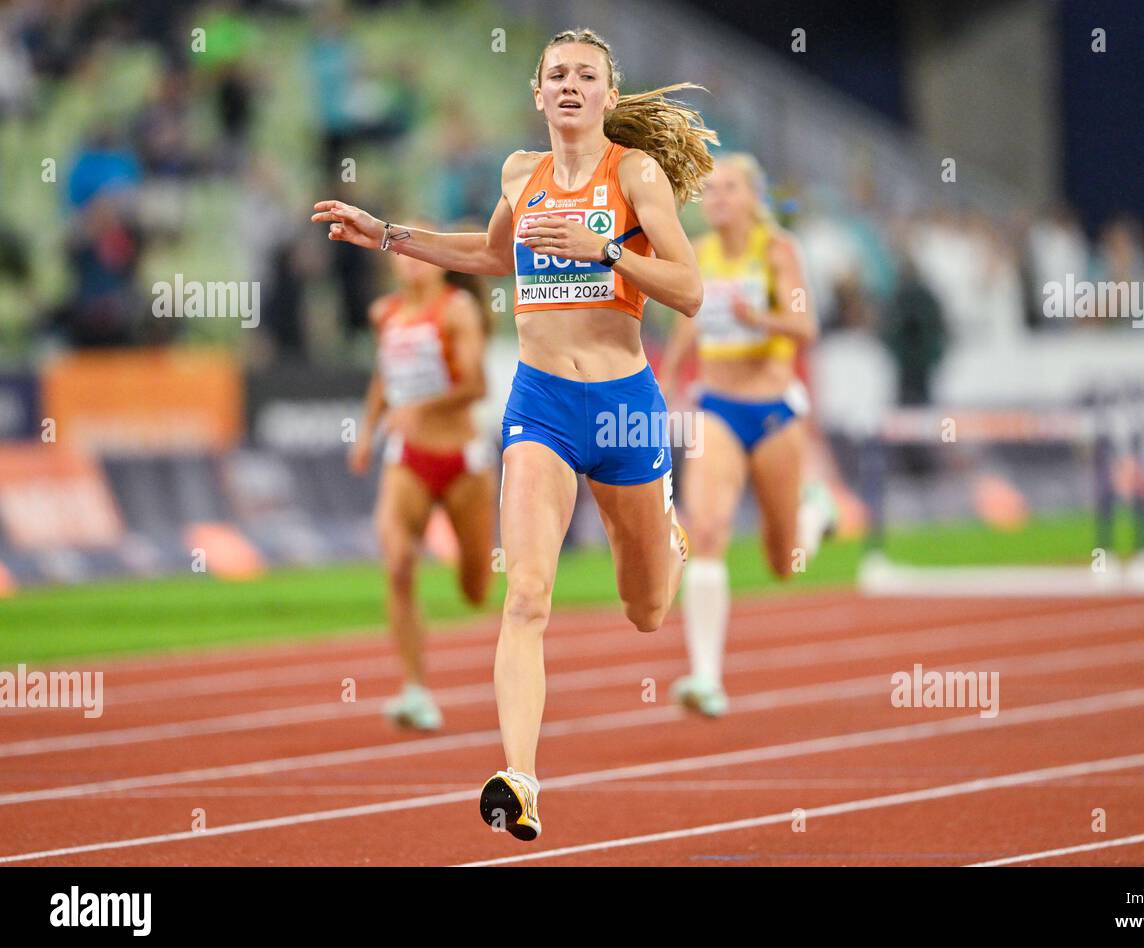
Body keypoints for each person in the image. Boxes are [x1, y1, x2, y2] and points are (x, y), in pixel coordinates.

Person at [313, 28, 715, 840]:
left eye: (585, 75)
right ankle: (522, 778)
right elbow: (492, 257)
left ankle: (664, 535)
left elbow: (691, 289)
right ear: (537, 94)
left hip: (625, 407)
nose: (570, 85)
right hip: (541, 410)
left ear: (607, 93)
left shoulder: (634, 175)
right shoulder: (519, 174)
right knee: (526, 594)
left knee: (647, 610)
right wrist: (388, 233)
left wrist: (606, 250)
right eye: (556, 74)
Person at [657, 154, 819, 718]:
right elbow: (687, 318)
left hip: (773, 408)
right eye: (710, 190)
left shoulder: (777, 251)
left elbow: (805, 326)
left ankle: (812, 519)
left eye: (729, 189)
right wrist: (670, 374)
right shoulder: (697, 254)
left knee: (783, 559)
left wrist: (760, 318)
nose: (717, 198)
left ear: (753, 197)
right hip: (717, 406)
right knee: (707, 527)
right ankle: (706, 679)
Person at [349, 229, 496, 732]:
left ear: (436, 260)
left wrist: (421, 408)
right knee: (398, 563)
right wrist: (367, 433)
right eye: (401, 256)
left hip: (462, 459)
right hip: (407, 458)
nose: (410, 264)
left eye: (418, 255)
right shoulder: (383, 314)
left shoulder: (458, 310)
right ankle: (414, 688)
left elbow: (476, 385)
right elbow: (383, 376)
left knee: (476, 588)